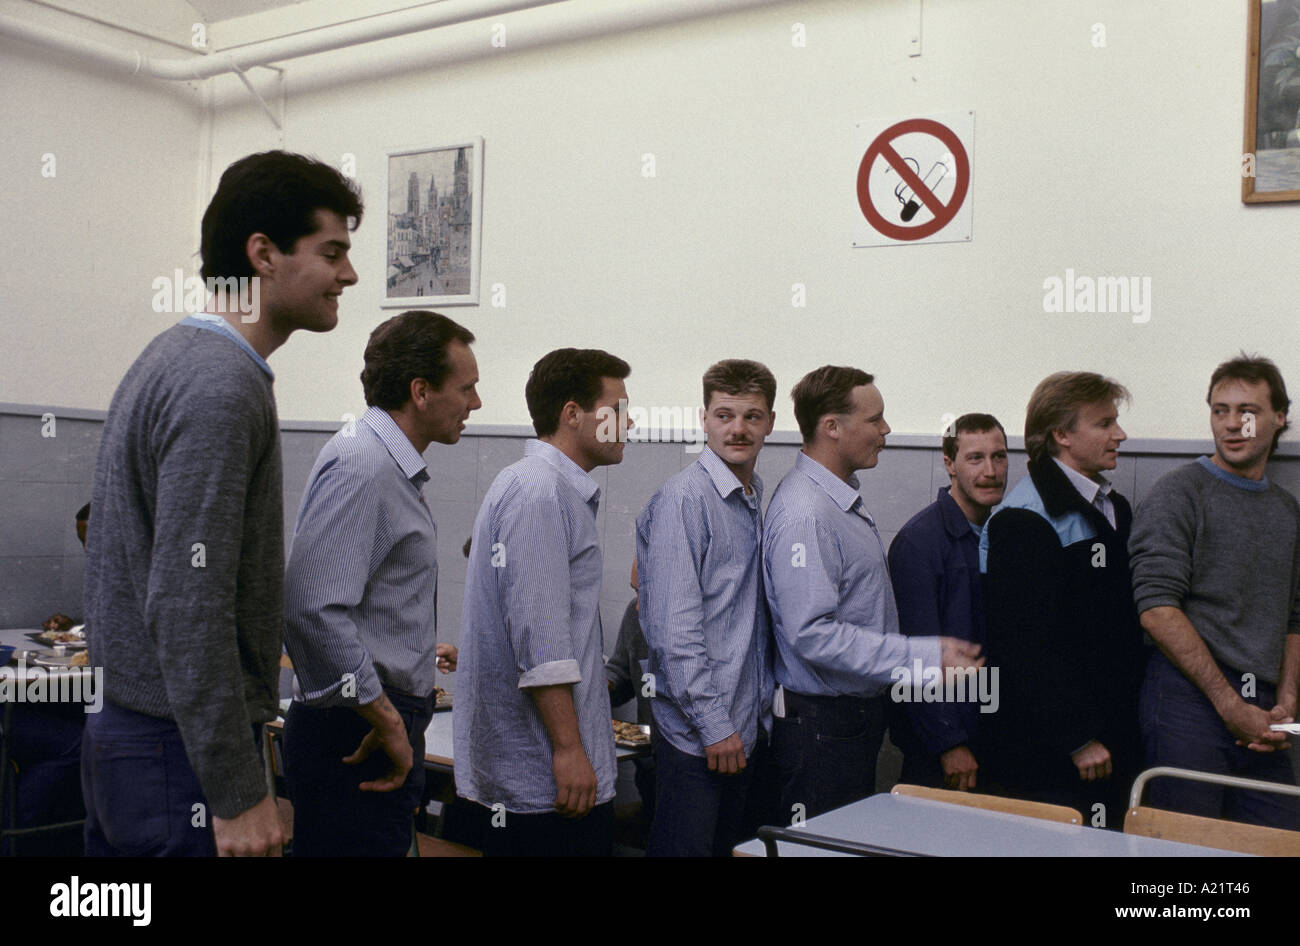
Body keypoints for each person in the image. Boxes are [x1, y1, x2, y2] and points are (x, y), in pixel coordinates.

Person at [81, 150, 362, 857]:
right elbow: (186, 602)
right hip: (175, 752)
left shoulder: (170, 359)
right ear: (263, 254)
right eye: (332, 253)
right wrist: (238, 791)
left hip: (136, 738)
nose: (349, 275)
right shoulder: (220, 387)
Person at [281, 310, 479, 856]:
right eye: (467, 388)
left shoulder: (388, 466)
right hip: (355, 733)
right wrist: (385, 716)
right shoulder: (364, 464)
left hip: (371, 721)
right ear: (420, 391)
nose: (476, 404)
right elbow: (310, 608)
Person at [762, 366, 983, 821]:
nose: (886, 430)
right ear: (832, 427)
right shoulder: (808, 514)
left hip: (845, 723)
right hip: (823, 728)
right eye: (875, 419)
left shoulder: (835, 500)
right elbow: (812, 636)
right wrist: (920, 659)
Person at [454, 348, 632, 856]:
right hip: (541, 781)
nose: (629, 421)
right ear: (572, 414)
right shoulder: (538, 491)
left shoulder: (550, 489)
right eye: (616, 410)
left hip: (548, 772)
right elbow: (541, 640)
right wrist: (569, 748)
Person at [1129, 354, 1300, 828]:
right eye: (1219, 410)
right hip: (1189, 700)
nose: (1230, 424)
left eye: (1246, 410)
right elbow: (1157, 610)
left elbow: (1294, 618)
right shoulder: (1180, 492)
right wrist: (1229, 705)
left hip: (1264, 708)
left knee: (1279, 841)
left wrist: (1284, 708)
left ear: (1279, 417)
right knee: (1187, 847)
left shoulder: (1287, 511)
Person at [979, 371, 1144, 823]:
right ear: (1062, 435)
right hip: (1058, 751)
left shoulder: (1113, 506)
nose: (1120, 434)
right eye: (1105, 423)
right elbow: (1027, 645)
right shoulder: (1023, 520)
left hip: (1112, 729)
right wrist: (1077, 736)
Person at [636, 359, 777, 856]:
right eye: (725, 414)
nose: (738, 428)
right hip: (699, 738)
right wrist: (716, 727)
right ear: (704, 419)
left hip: (742, 730)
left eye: (752, 416)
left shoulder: (753, 494)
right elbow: (674, 635)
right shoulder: (685, 500)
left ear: (771, 423)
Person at [888, 413, 1008, 790]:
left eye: (999, 456)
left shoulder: (1002, 533)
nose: (990, 470)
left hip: (990, 736)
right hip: (942, 750)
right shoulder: (920, 542)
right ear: (949, 464)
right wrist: (948, 743)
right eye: (975, 458)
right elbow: (915, 655)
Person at [605, 559, 656, 819]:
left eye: (644, 593)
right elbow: (622, 672)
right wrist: (602, 685)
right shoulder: (635, 615)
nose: (637, 605)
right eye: (634, 591)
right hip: (649, 764)